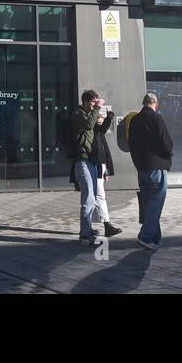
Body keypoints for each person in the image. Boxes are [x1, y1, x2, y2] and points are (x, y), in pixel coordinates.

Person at [128, 91, 174, 251]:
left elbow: (130, 144)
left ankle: (155, 238)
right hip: (156, 167)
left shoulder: (134, 120)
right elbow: (166, 142)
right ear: (156, 104)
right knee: (156, 203)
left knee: (149, 204)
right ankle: (145, 236)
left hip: (142, 168)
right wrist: (168, 158)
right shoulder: (157, 118)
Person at [70, 90, 104, 246]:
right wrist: (97, 110)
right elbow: (88, 124)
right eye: (92, 102)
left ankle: (87, 229)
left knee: (92, 196)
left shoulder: (89, 114)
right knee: (88, 197)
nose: (94, 105)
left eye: (95, 102)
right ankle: (85, 235)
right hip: (82, 160)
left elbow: (96, 130)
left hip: (91, 160)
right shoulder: (78, 114)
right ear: (85, 101)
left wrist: (106, 119)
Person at [88, 99, 122, 238]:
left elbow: (105, 152)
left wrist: (106, 170)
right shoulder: (94, 131)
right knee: (98, 196)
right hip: (95, 165)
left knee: (95, 197)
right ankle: (106, 225)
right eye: (99, 119)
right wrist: (109, 118)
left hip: (99, 166)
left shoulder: (99, 135)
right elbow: (101, 130)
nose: (100, 121)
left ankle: (89, 226)